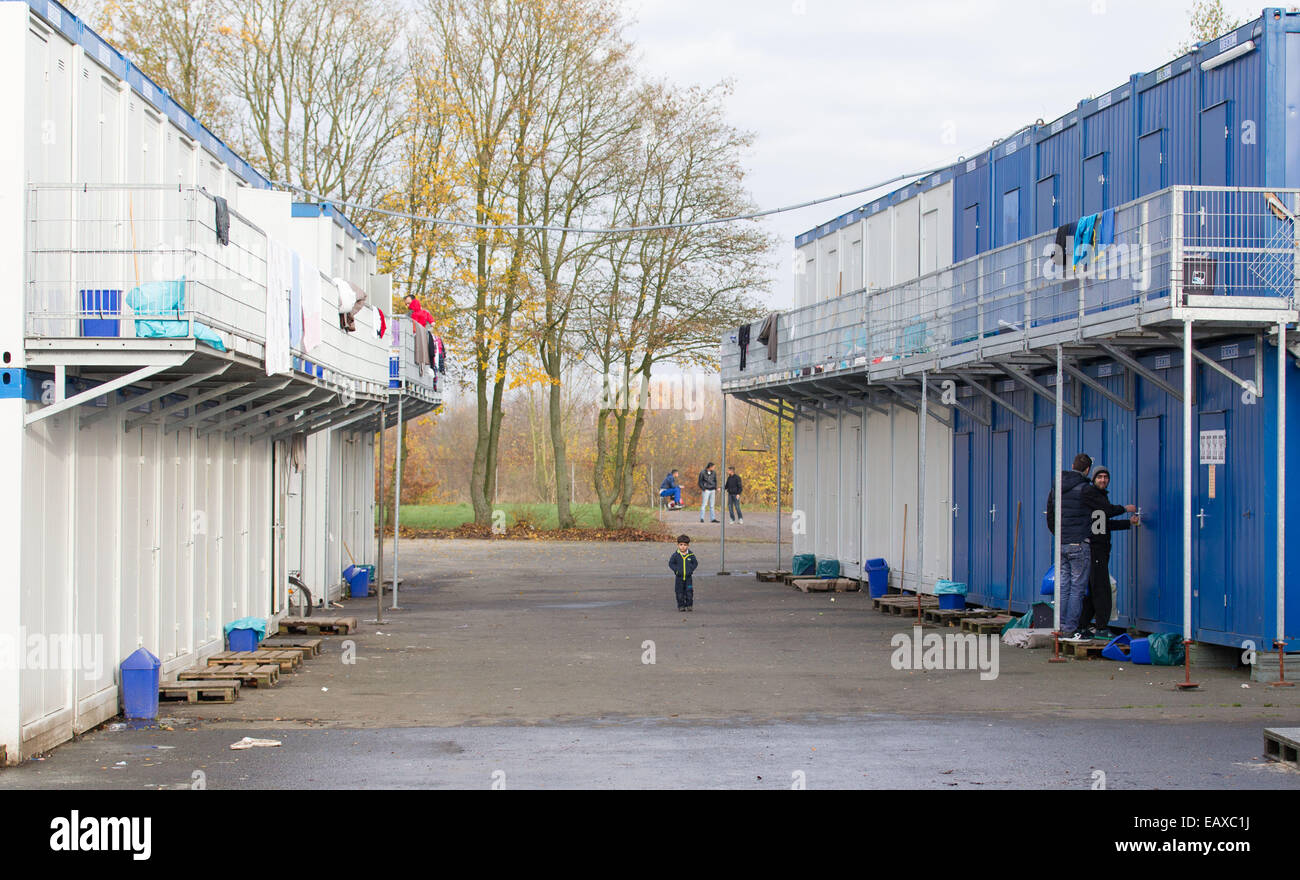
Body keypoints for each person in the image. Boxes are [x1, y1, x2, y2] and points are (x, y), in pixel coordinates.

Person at [1078, 465, 1139, 638]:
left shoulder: (1099, 497)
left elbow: (1104, 524)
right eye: (1100, 477)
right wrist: (1124, 509)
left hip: (1100, 548)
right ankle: (1102, 627)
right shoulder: (1093, 496)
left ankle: (1082, 625)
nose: (1103, 480)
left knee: (1094, 587)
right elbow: (1107, 512)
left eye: (1105, 477)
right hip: (1095, 548)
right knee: (1102, 588)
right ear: (1094, 479)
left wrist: (1129, 523)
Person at [1045, 453, 1098, 638]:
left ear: (1072, 465)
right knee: (1077, 588)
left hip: (1062, 543)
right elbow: (1099, 511)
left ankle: (1059, 626)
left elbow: (1050, 514)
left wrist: (1059, 534)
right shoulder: (1085, 488)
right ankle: (1070, 629)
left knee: (1064, 585)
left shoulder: (1057, 487)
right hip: (1078, 543)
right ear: (1087, 470)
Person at [668, 534, 698, 612]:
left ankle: (689, 605)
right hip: (679, 578)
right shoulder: (675, 555)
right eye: (681, 545)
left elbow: (695, 563)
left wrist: (691, 569)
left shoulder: (691, 555)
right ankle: (681, 605)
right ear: (678, 545)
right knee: (679, 593)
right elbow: (671, 563)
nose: (683, 547)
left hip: (688, 578)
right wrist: (676, 570)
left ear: (688, 545)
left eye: (685, 545)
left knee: (689, 592)